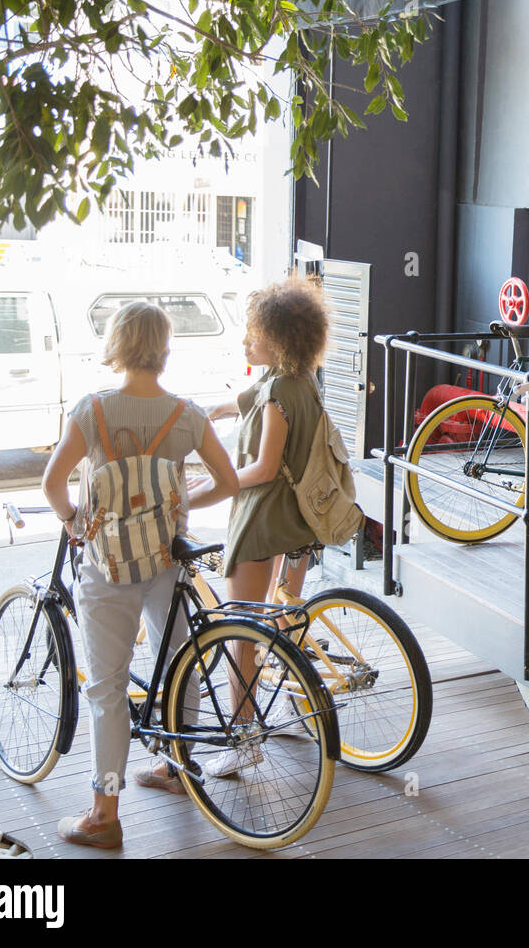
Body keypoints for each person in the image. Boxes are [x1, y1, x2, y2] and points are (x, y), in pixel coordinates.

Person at [42, 301, 239, 849]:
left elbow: (53, 483)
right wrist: (179, 505)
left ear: (117, 344)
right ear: (163, 347)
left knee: (107, 689)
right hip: (166, 560)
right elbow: (228, 482)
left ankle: (104, 813)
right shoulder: (187, 414)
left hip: (106, 565)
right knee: (179, 663)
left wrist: (73, 522)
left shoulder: (92, 412)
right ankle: (178, 769)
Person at [203, 278, 329, 778]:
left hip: (262, 519)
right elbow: (253, 397)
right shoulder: (301, 381)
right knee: (284, 619)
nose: (244, 342)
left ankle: (243, 740)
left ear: (276, 340)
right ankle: (298, 701)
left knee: (241, 635)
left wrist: (205, 488)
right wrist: (214, 409)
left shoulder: (275, 392)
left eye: (252, 334)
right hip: (301, 520)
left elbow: (263, 468)